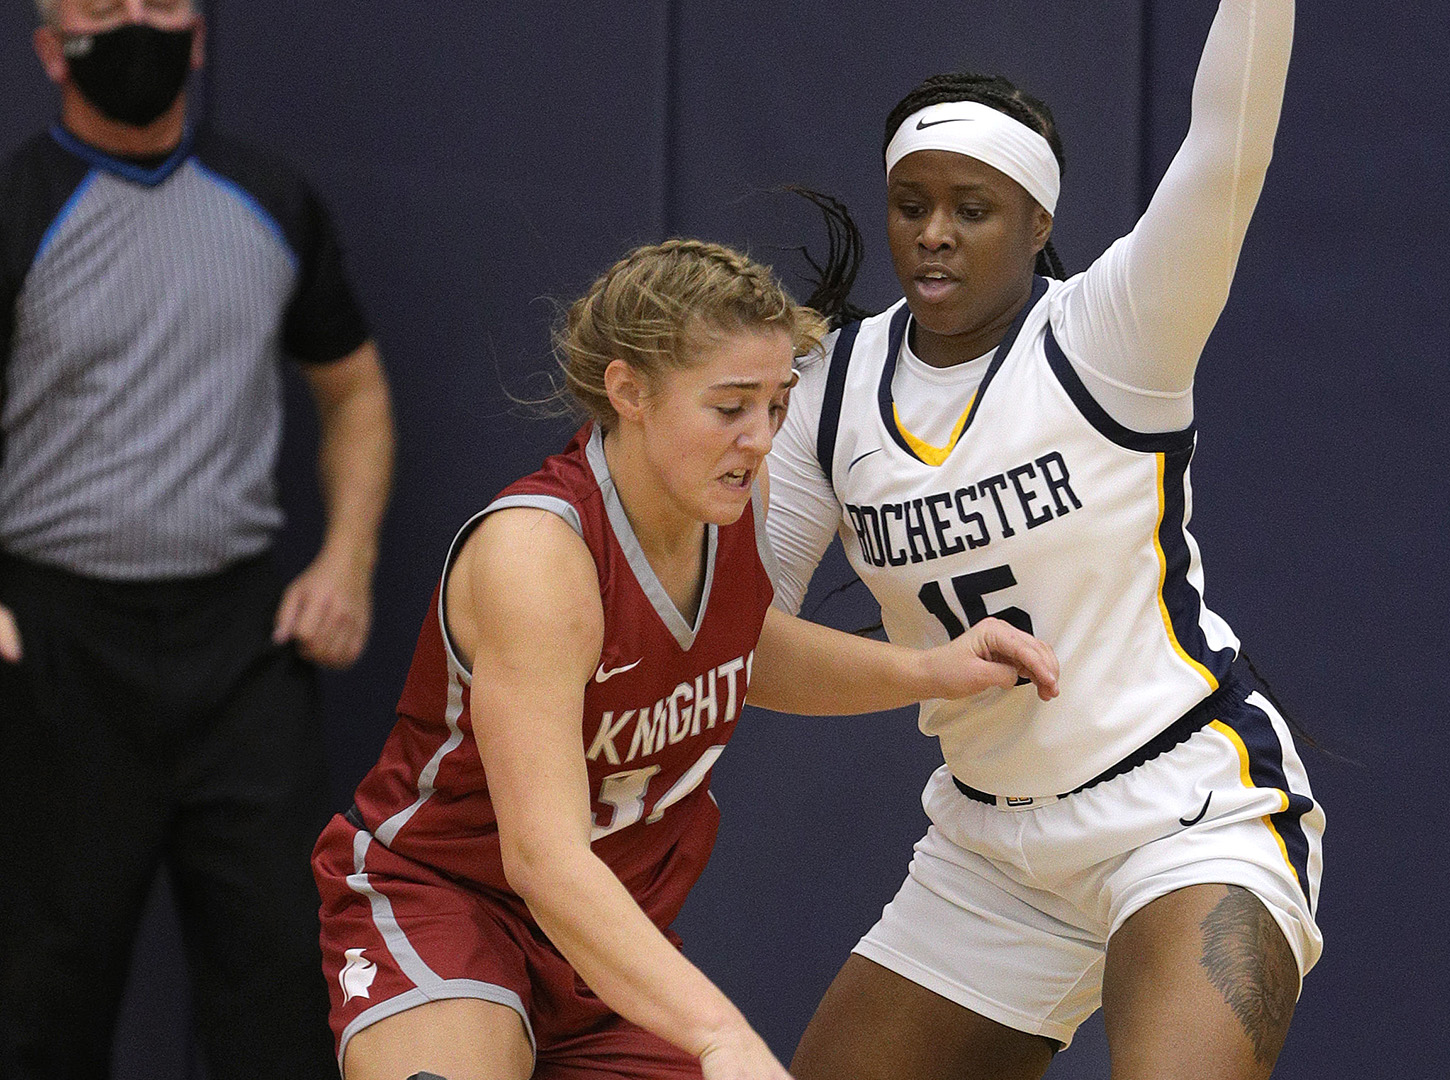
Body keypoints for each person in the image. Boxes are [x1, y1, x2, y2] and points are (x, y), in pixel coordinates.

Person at [313, 239, 1059, 1080]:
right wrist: (718, 1033)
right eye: (730, 407)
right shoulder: (538, 556)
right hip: (452, 902)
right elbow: (543, 860)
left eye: (777, 404)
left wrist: (927, 670)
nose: (760, 439)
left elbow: (738, 646)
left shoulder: (732, 501)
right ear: (628, 391)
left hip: (607, 930)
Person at [765, 1, 1321, 1077]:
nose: (934, 232)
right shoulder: (828, 392)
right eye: (911, 205)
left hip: (1182, 807)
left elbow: (1229, 145)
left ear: (1036, 223)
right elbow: (742, 651)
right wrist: (921, 673)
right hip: (989, 849)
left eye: (972, 209)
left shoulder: (1110, 330)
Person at [0, 1, 393, 1077]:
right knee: (41, 998)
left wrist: (347, 560)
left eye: (160, 2)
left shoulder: (269, 199)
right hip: (58, 648)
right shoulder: (18, 208)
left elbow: (354, 390)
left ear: (200, 33)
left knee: (285, 983)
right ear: (50, 48)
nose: (137, 22)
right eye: (103, 6)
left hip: (241, 647)